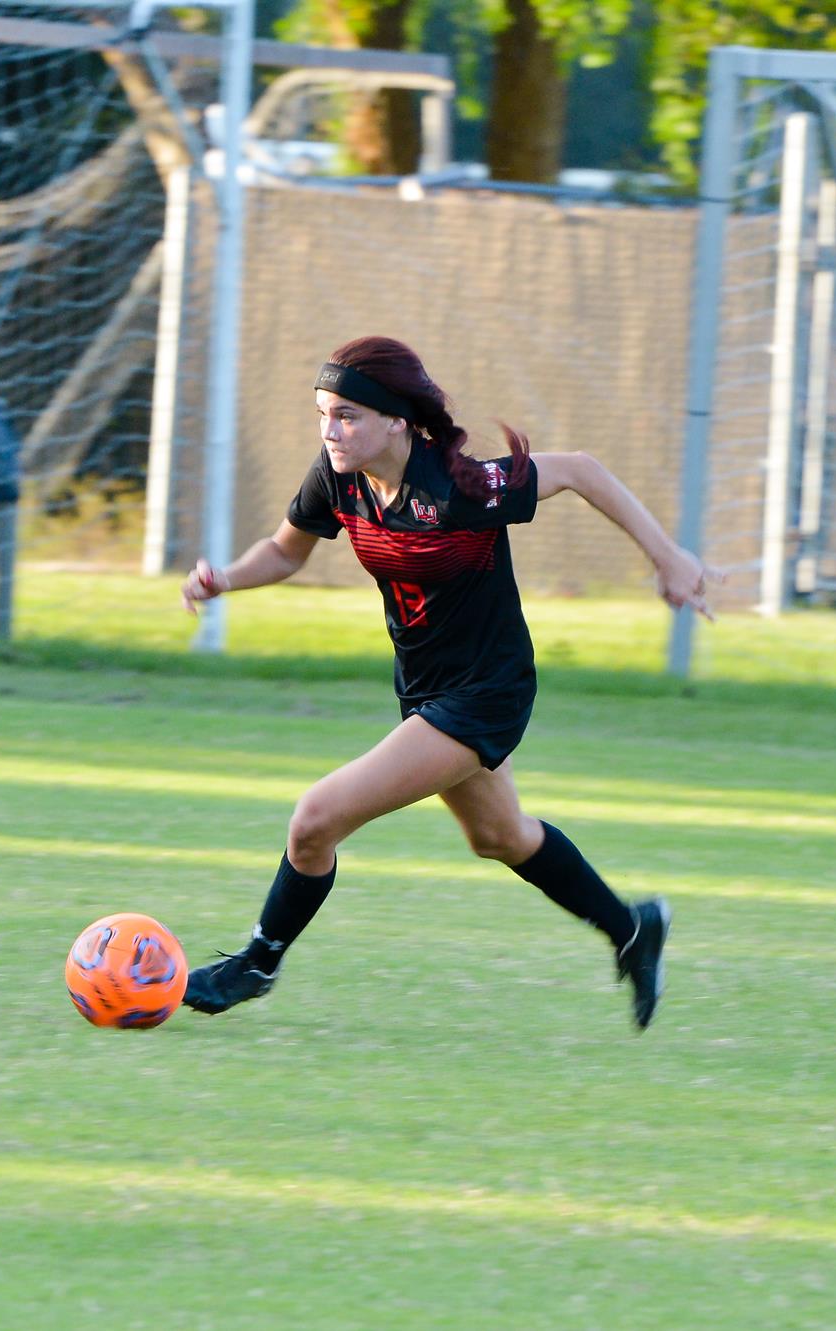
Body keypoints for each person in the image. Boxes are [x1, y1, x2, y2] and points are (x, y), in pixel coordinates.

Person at [177, 336, 717, 1029]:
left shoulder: (461, 489)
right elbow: (286, 551)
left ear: (396, 420)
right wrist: (226, 577)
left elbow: (581, 470)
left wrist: (669, 559)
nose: (330, 430)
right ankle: (632, 929)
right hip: (425, 686)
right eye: (323, 413)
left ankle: (258, 959)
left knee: (315, 819)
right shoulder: (339, 476)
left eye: (347, 415)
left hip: (486, 691)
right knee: (499, 835)